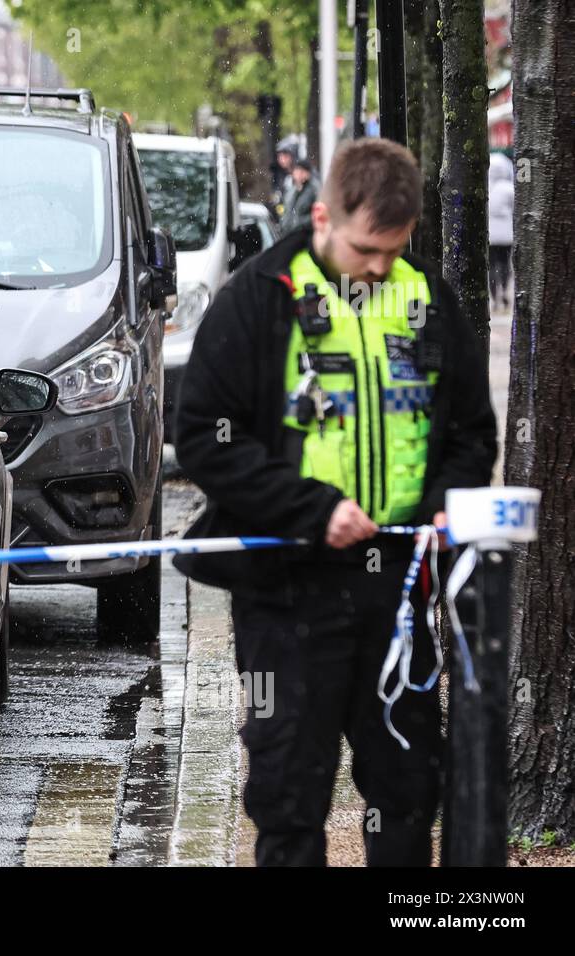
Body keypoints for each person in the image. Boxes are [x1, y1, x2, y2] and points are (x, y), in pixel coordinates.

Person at [173, 138, 496, 866]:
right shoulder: (257, 300)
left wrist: (448, 502)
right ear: (322, 215)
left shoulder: (427, 301)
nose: (380, 268)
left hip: (402, 586)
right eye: (364, 250)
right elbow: (203, 437)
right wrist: (311, 509)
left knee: (409, 782)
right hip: (288, 589)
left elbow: (472, 434)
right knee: (289, 791)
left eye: (394, 250)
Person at [487, 151, 514, 313]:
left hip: (491, 235)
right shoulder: (509, 188)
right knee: (505, 263)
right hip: (506, 235)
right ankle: (504, 288)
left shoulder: (486, 186)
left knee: (492, 265)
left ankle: (494, 295)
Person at [280, 157, 319, 233]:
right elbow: (286, 211)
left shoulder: (314, 190)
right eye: (296, 170)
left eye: (301, 171)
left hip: (305, 234)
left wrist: (300, 222)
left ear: (308, 173)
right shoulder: (291, 191)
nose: (298, 174)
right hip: (289, 234)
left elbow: (316, 214)